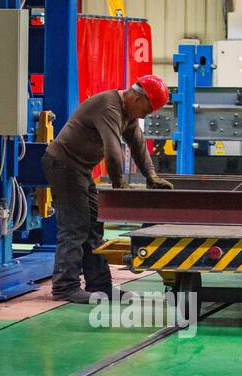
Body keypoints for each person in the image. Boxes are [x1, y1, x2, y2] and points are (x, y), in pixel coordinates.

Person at [41, 76, 174, 304]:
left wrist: (151, 176)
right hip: (63, 165)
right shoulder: (109, 107)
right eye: (148, 108)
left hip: (79, 169)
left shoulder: (128, 114)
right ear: (137, 97)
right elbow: (113, 151)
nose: (147, 115)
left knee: (94, 225)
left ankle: (100, 286)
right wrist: (119, 187)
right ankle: (65, 287)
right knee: (75, 226)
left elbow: (138, 145)